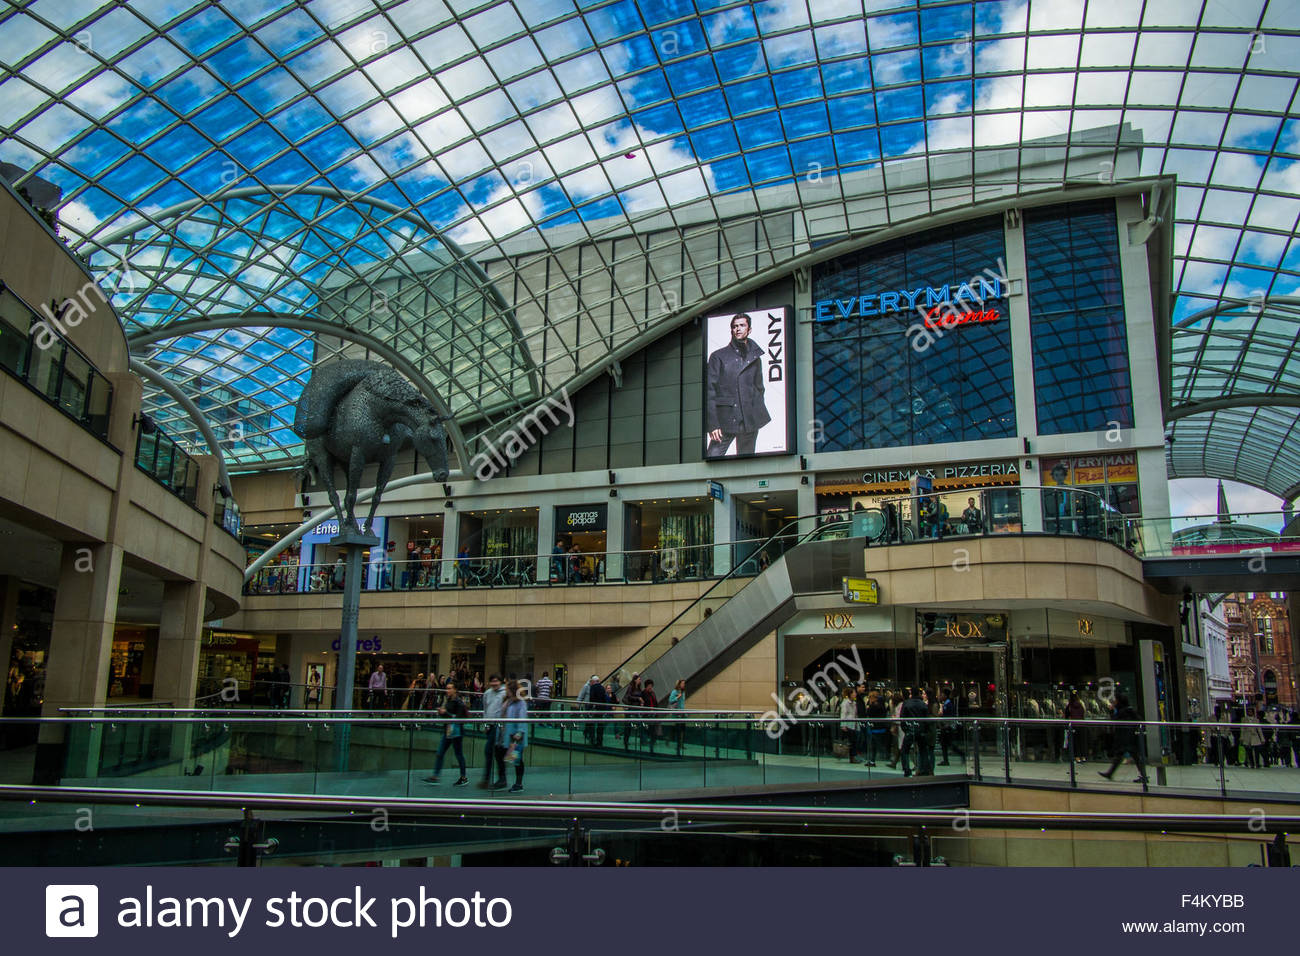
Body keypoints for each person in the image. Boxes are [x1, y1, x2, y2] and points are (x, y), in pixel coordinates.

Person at [705, 313, 771, 458]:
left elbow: (759, 387)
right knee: (712, 458)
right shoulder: (718, 356)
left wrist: (755, 408)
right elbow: (709, 392)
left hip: (749, 421)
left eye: (742, 325)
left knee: (747, 466)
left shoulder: (755, 358)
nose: (738, 329)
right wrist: (713, 424)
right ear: (731, 330)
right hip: (725, 420)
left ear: (749, 329)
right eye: (735, 326)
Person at [425, 681, 469, 786]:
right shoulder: (448, 700)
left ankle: (463, 777)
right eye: (447, 688)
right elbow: (448, 716)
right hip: (448, 730)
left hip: (456, 732)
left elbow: (457, 718)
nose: (447, 690)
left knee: (458, 755)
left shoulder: (459, 703)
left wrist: (445, 713)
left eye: (450, 688)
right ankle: (435, 776)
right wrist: (442, 713)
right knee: (440, 752)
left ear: (455, 690)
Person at [1099, 693, 1148, 783]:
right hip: (1130, 737)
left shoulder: (1123, 711)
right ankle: (1110, 773)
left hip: (1125, 737)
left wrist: (1111, 710)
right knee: (1126, 756)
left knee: (1128, 756)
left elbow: (1115, 720)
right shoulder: (1129, 710)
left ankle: (1143, 776)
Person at [499, 679, 529, 792]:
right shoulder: (510, 701)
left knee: (517, 760)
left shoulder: (520, 703)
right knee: (515, 759)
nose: (506, 692)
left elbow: (522, 719)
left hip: (517, 737)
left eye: (508, 690)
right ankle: (516, 783)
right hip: (511, 735)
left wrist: (519, 733)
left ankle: (518, 784)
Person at [480, 674, 507, 789]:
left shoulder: (505, 693)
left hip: (501, 727)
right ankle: (491, 779)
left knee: (496, 753)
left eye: (496, 681)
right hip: (491, 726)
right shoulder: (487, 693)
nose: (494, 683)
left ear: (500, 682)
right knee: (492, 753)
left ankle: (491, 779)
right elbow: (485, 710)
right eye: (492, 681)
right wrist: (485, 724)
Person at [899, 686, 933, 777]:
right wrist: (925, 730)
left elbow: (902, 718)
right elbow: (926, 719)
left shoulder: (906, 703)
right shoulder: (922, 704)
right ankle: (925, 769)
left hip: (910, 729)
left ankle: (907, 770)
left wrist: (905, 729)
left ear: (911, 694)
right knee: (923, 750)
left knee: (905, 750)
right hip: (921, 730)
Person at [938, 687, 965, 765]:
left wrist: (946, 725)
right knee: (945, 744)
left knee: (948, 744)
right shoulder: (946, 703)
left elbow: (949, 716)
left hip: (947, 727)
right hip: (946, 726)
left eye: (942, 695)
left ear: (945, 695)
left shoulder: (948, 704)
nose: (940, 696)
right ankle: (946, 760)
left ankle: (959, 754)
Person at [839, 687, 859, 763]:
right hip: (848, 725)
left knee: (853, 741)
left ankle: (853, 757)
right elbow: (843, 714)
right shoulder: (845, 703)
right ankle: (852, 757)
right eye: (854, 693)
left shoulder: (854, 703)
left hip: (853, 724)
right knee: (851, 741)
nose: (855, 694)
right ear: (850, 694)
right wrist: (843, 725)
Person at [667, 679, 687, 754]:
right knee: (675, 729)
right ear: (679, 684)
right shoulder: (675, 692)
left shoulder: (683, 692)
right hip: (676, 714)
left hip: (682, 713)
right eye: (682, 683)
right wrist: (677, 697)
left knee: (682, 729)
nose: (684, 685)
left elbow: (682, 703)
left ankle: (681, 744)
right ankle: (670, 740)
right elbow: (670, 700)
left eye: (684, 684)